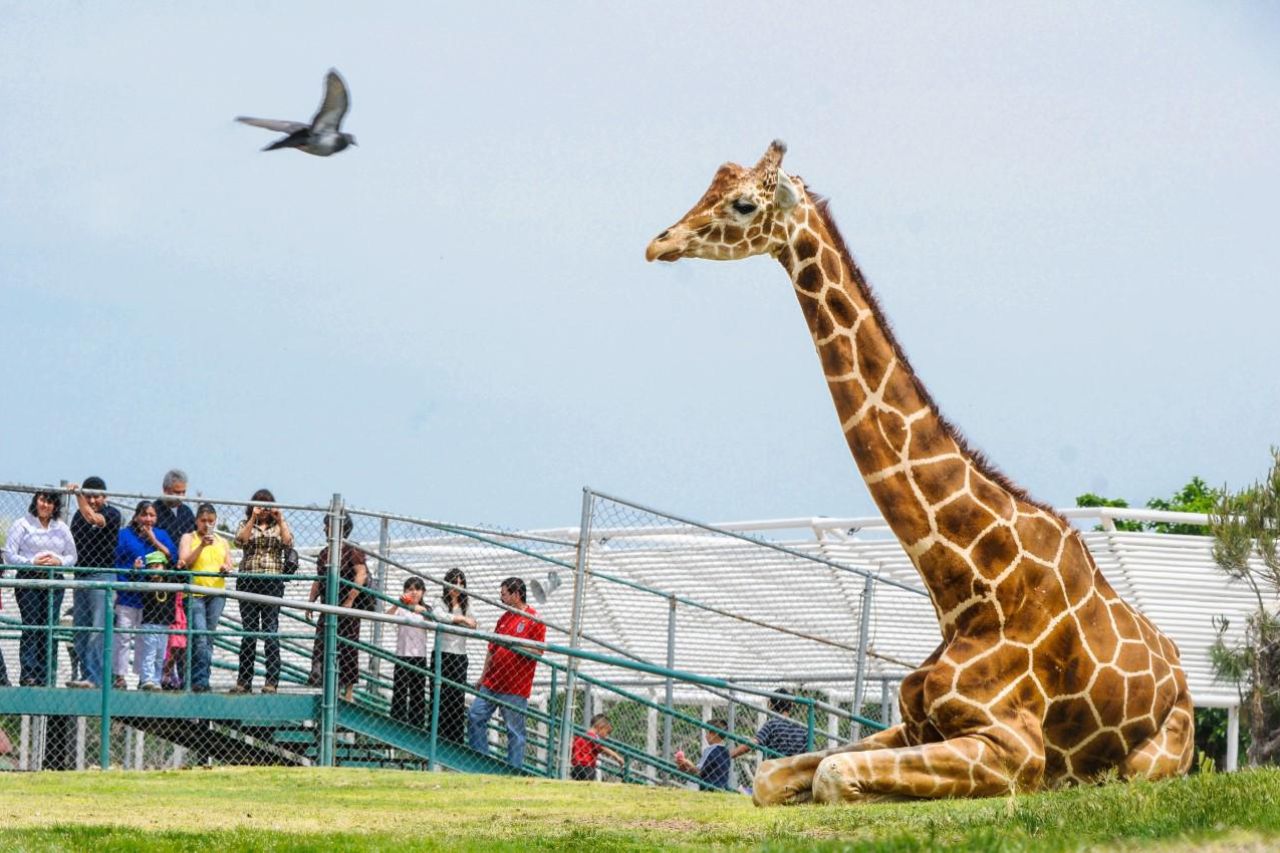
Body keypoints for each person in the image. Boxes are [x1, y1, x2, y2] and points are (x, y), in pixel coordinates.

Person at [467, 577, 545, 769]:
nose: (501, 598)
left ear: (516, 595)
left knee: (514, 732)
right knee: (475, 716)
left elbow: (538, 652)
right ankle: (481, 762)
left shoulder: (534, 619)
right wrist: (483, 676)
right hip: (492, 683)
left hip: (515, 687)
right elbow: (491, 649)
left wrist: (516, 644)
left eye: (504, 594)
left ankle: (513, 771)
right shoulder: (504, 618)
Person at [3, 490, 77, 686]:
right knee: (32, 625)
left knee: (49, 626)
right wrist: (32, 561)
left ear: (55, 506)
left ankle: (46, 674)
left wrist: (58, 560)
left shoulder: (61, 527)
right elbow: (9, 554)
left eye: (50, 502)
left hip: (54, 579)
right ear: (36, 501)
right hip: (29, 579)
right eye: (42, 500)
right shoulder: (22, 524)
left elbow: (72, 556)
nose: (45, 505)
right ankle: (28, 673)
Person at [232, 489, 293, 695]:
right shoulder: (245, 523)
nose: (264, 510)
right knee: (249, 632)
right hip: (248, 580)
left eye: (267, 506)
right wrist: (253, 519)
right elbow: (240, 541)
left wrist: (280, 519)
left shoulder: (279, 526)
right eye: (260, 505)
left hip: (272, 581)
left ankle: (271, 681)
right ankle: (244, 680)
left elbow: (288, 543)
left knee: (269, 631)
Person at [306, 510, 367, 702]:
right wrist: (311, 602)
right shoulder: (325, 554)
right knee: (321, 646)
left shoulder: (351, 550)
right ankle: (325, 688)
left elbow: (361, 574)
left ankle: (347, 694)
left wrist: (350, 599)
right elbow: (319, 579)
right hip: (327, 606)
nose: (325, 528)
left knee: (347, 649)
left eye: (328, 524)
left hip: (346, 608)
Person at [114, 501, 176, 689]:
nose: (148, 519)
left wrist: (153, 539)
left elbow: (172, 556)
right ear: (136, 516)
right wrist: (132, 571)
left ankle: (145, 678)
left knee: (145, 641)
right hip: (128, 595)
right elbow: (115, 561)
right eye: (144, 514)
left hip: (150, 601)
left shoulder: (161, 535)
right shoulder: (124, 535)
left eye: (152, 515)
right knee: (123, 636)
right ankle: (119, 676)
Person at [67, 477, 121, 689]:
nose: (91, 500)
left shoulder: (112, 514)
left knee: (98, 630)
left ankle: (96, 678)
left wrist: (78, 495)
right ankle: (86, 674)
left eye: (95, 496)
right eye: (88, 495)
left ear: (104, 497)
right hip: (81, 575)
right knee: (80, 629)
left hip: (102, 576)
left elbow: (94, 519)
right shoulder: (77, 517)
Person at [178, 503, 233, 692]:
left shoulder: (222, 541)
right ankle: (197, 679)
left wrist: (226, 568)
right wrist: (201, 545)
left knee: (208, 638)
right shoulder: (189, 537)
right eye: (203, 521)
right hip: (195, 593)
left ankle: (202, 679)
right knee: (199, 636)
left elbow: (229, 563)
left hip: (216, 594)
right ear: (196, 521)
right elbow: (185, 561)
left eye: (210, 521)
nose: (207, 525)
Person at [153, 470, 194, 687]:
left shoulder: (187, 513)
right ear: (166, 490)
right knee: (161, 629)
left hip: (183, 579)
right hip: (161, 580)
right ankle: (160, 673)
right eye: (176, 492)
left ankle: (179, 676)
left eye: (183, 492)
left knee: (181, 631)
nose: (180, 497)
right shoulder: (155, 511)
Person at [387, 577, 431, 727]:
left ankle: (416, 724)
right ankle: (397, 721)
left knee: (417, 693)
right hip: (402, 655)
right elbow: (386, 617)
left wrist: (422, 610)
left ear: (423, 592)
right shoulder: (401, 609)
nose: (414, 592)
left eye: (417, 589)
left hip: (419, 656)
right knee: (399, 690)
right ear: (405, 591)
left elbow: (433, 623)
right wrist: (397, 604)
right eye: (410, 589)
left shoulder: (426, 610)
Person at [137, 550, 178, 691]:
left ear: (164, 567)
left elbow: (179, 572)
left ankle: (156, 680)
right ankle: (146, 679)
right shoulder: (146, 582)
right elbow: (134, 580)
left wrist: (178, 564)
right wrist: (136, 570)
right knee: (149, 652)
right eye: (151, 566)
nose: (154, 569)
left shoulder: (170, 581)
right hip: (149, 623)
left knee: (160, 655)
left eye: (157, 566)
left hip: (164, 624)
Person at [728, 689, 809, 760]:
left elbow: (754, 743)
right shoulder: (801, 727)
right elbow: (808, 752)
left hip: (777, 770)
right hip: (797, 772)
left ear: (771, 705)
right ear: (790, 706)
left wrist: (730, 754)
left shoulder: (772, 724)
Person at [675, 720, 732, 792]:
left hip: (709, 789)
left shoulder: (710, 750)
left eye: (707, 733)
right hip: (722, 789)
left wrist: (687, 763)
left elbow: (698, 771)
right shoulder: (725, 751)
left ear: (713, 734)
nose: (706, 736)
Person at [570, 713, 625, 781]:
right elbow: (602, 748)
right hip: (587, 768)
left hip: (575, 768)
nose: (606, 736)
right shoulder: (594, 737)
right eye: (607, 732)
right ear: (600, 727)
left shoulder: (580, 735)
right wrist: (617, 757)